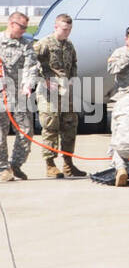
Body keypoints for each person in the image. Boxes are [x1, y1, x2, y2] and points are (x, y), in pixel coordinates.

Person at [32, 14, 84, 178]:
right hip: (49, 93)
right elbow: (32, 64)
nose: (67, 32)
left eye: (69, 29)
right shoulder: (44, 44)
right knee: (50, 126)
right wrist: (44, 80)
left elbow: (74, 63)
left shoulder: (69, 46)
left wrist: (73, 80)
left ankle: (68, 164)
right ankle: (50, 165)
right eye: (64, 29)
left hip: (66, 93)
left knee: (70, 126)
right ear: (55, 27)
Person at [0, 12, 39, 182]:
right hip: (1, 95)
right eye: (21, 26)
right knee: (0, 134)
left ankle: (15, 164)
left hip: (20, 95)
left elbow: (32, 66)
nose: (24, 30)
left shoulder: (26, 44)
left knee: (26, 131)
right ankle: (3, 168)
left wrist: (28, 85)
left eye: (25, 27)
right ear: (11, 23)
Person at [106, 27, 129, 187]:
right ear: (126, 40)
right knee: (118, 135)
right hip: (122, 97)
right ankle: (119, 167)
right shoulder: (119, 53)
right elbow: (112, 69)